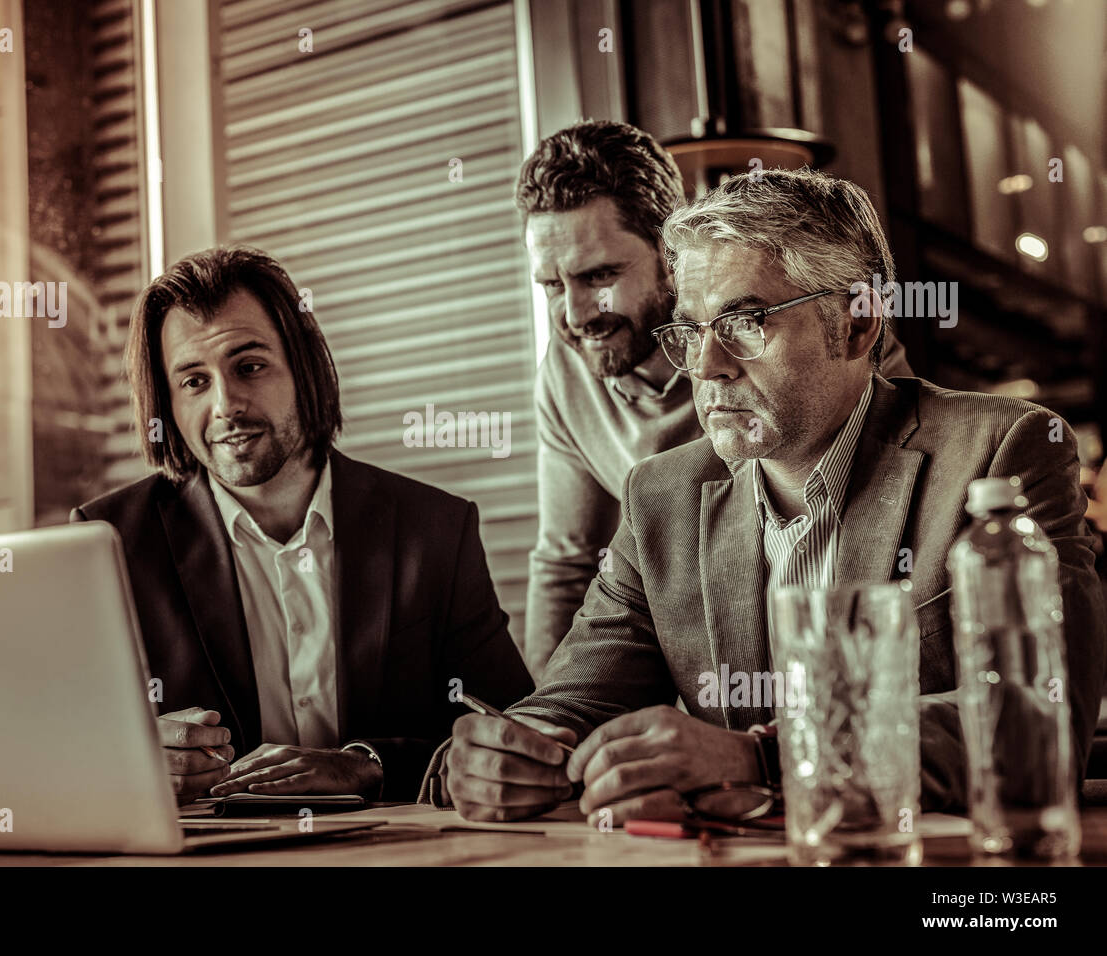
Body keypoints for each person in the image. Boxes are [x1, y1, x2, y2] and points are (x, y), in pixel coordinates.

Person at [435, 168, 1106, 821]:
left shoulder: (1002, 452)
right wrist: (512, 750)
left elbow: (1035, 720)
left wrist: (762, 758)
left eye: (747, 322)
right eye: (690, 330)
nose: (706, 366)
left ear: (860, 324)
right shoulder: (659, 496)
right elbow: (577, 701)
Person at [72, 246, 532, 803]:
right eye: (194, 381)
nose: (226, 405)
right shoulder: (110, 541)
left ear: (302, 367)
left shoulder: (433, 530)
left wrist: (367, 765)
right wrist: (130, 761)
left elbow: (508, 734)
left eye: (249, 366)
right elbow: (56, 744)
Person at [519, 120, 913, 678]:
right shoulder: (566, 372)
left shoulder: (825, 336)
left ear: (671, 246)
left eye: (600, 274)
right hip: (699, 677)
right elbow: (566, 560)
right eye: (553, 286)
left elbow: (885, 494)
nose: (576, 315)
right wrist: (541, 723)